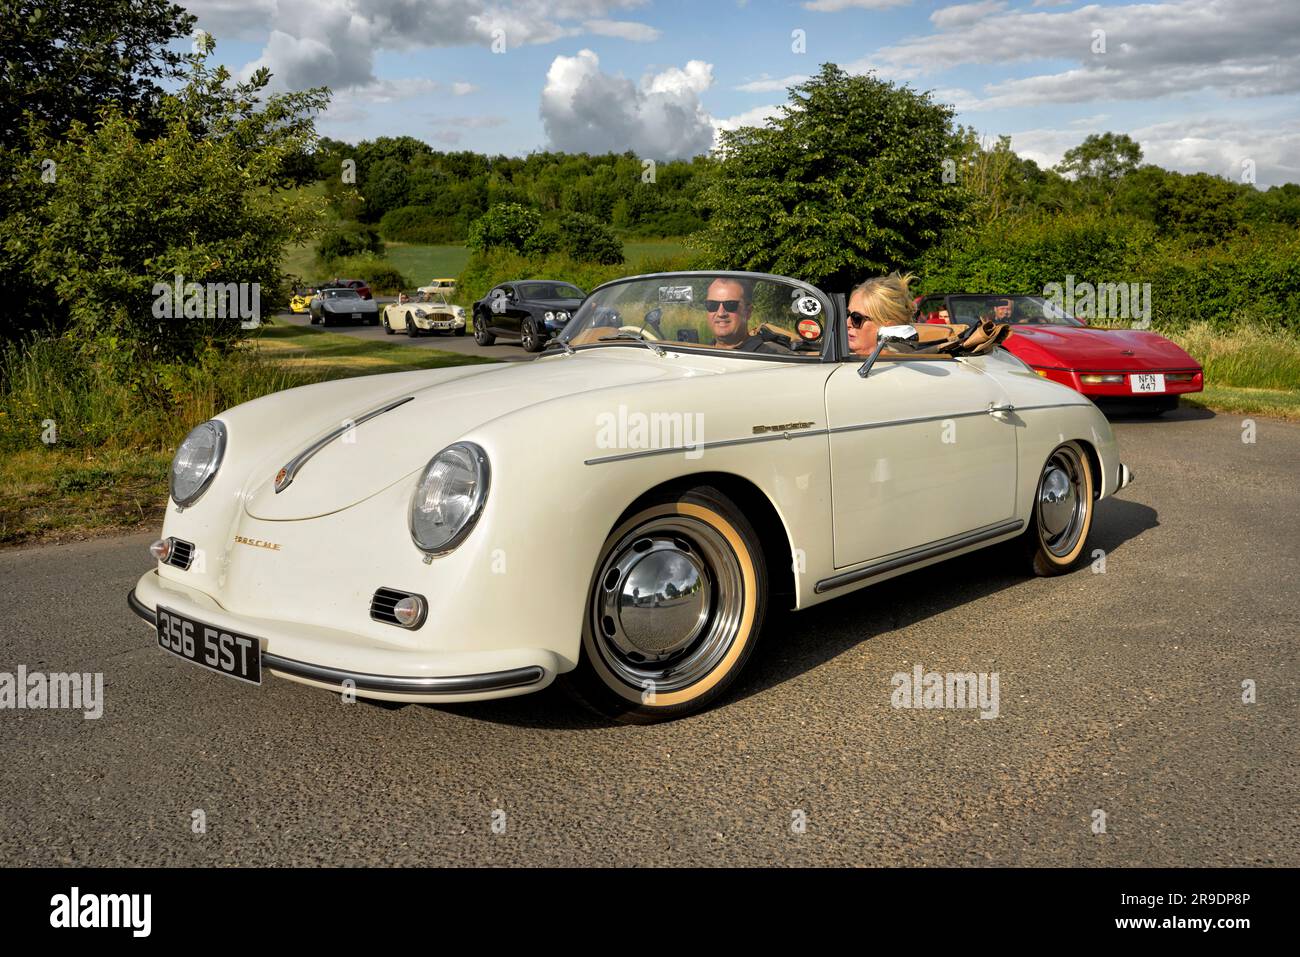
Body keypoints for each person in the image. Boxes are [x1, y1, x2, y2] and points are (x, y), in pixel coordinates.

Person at [846, 272, 917, 356]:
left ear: (889, 327)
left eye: (856, 318)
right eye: (847, 314)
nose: (847, 323)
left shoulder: (898, 368)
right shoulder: (843, 362)